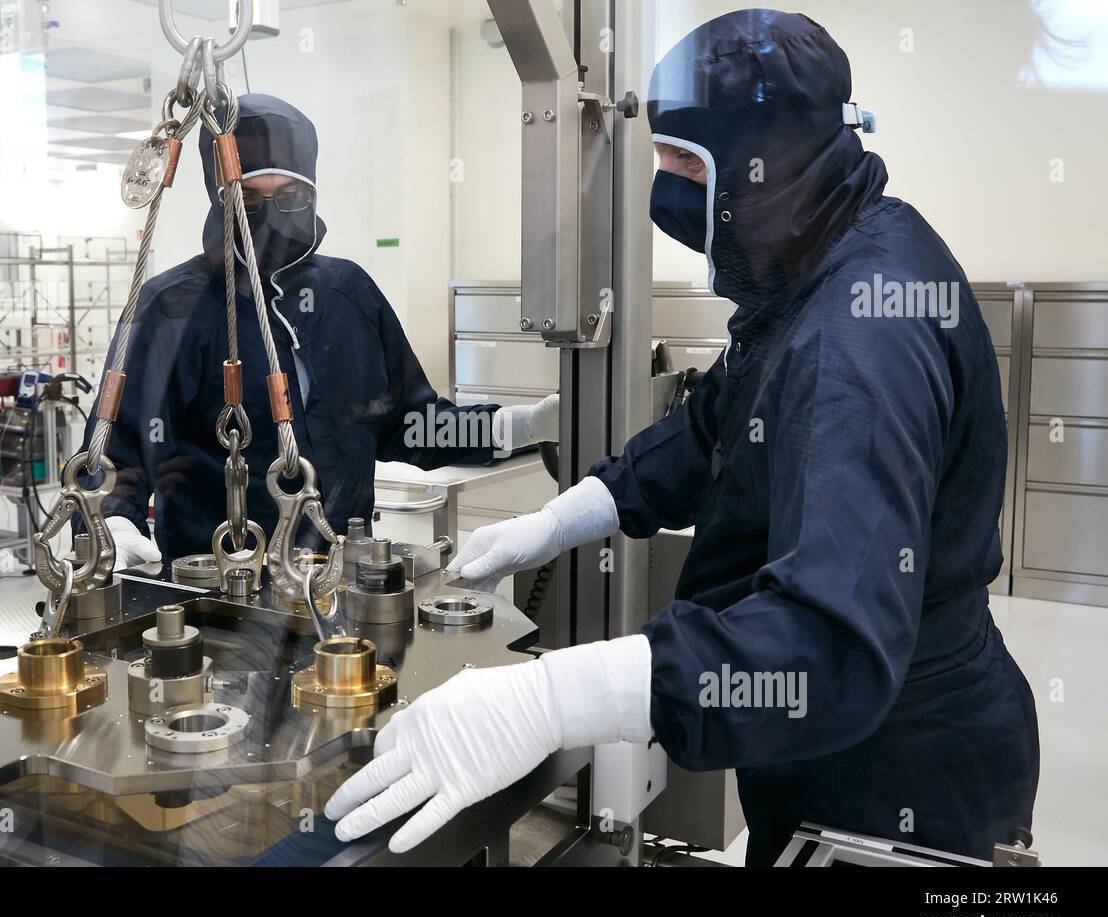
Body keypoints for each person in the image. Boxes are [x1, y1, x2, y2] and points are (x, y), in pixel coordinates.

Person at [325, 9, 1039, 864]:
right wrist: (559, 520)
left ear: (764, 162)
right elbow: (711, 430)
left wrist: (549, 700)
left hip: (898, 766)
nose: (665, 188)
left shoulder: (860, 337)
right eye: (659, 157)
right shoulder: (818, 265)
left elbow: (827, 648)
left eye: (684, 163)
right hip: (834, 752)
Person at [88, 93, 558, 567]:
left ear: (310, 194)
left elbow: (409, 425)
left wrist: (516, 425)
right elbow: (120, 445)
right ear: (220, 198)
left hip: (341, 573)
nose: (270, 216)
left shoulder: (348, 293)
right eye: (248, 200)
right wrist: (114, 521)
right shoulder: (171, 306)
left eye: (289, 197)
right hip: (218, 579)